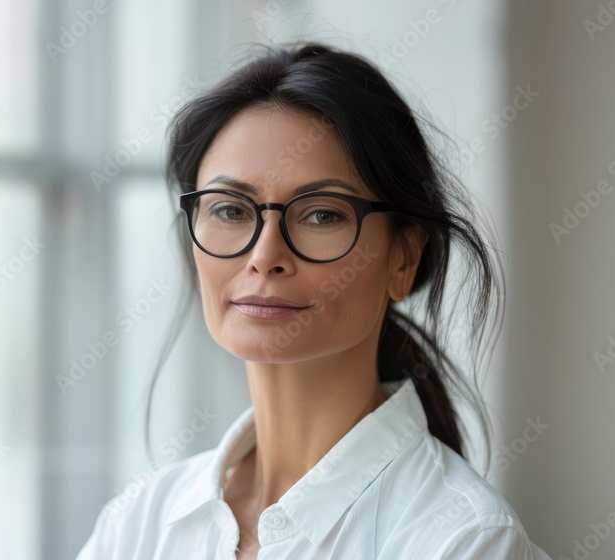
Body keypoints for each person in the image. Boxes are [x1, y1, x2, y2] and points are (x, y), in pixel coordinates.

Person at [76, 42, 551, 559]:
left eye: (322, 214)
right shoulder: (139, 523)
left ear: (403, 258)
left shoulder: (463, 540)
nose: (265, 256)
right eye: (231, 210)